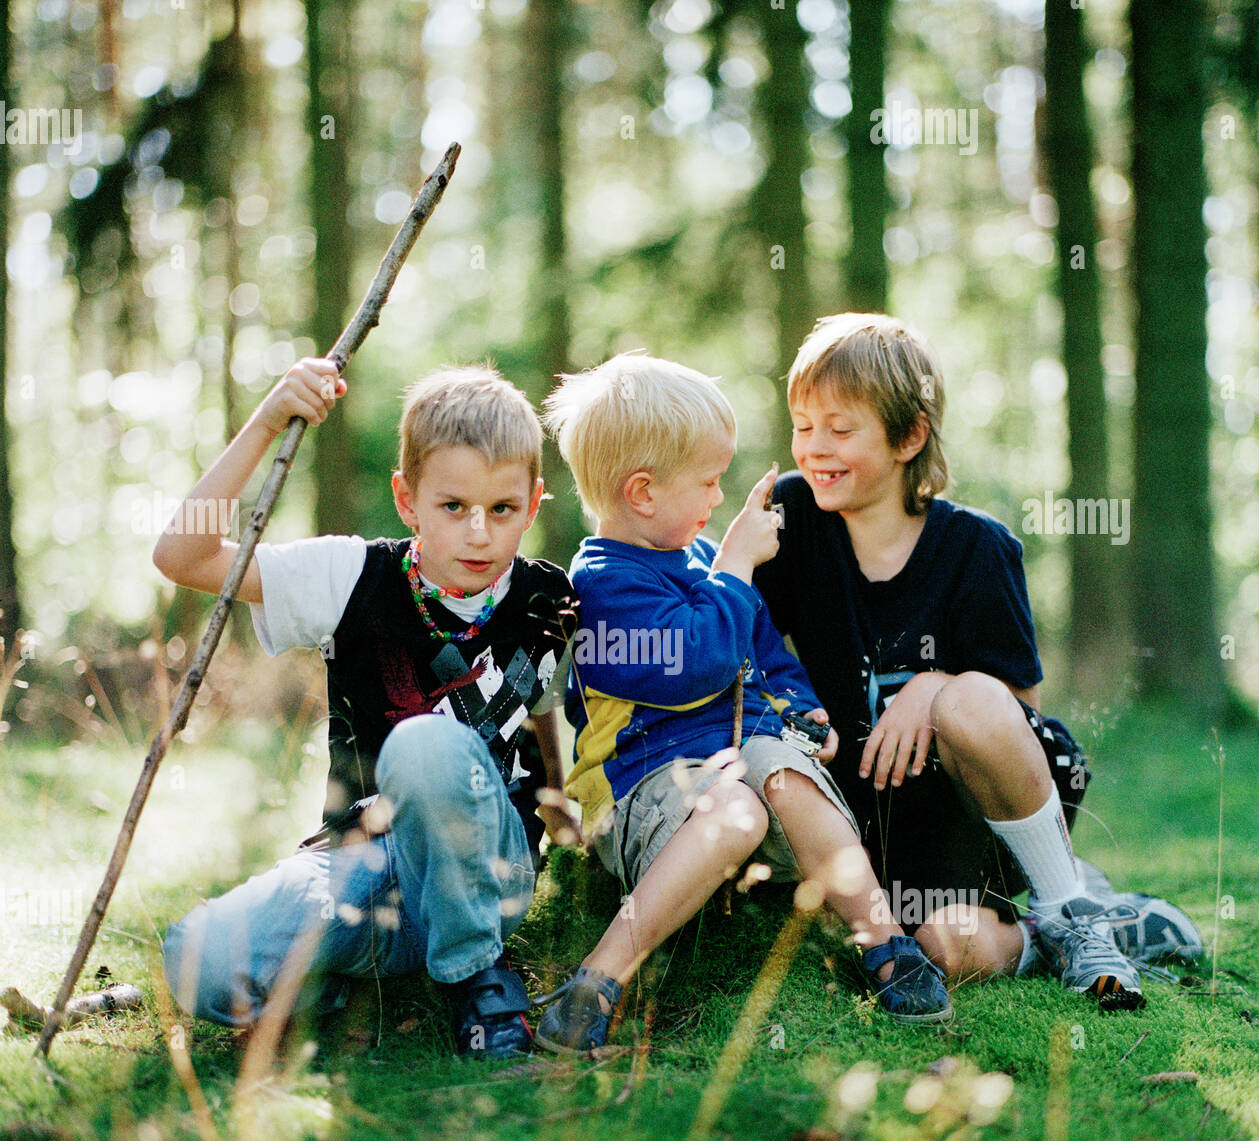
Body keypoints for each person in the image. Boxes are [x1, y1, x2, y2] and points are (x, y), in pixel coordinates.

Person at [754, 312, 1200, 1008]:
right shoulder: (793, 519)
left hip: (973, 805)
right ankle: (1100, 924)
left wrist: (933, 686)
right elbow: (732, 625)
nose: (815, 448)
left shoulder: (977, 549)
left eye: (840, 430)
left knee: (966, 697)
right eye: (802, 425)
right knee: (946, 950)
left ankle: (1074, 913)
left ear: (909, 435)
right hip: (872, 812)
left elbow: (1016, 717)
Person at [156, 360, 580, 1058]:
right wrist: (266, 423)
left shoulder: (548, 598)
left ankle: (477, 978)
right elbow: (182, 555)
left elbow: (540, 706)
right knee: (192, 956)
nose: (478, 533)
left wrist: (560, 806)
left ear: (532, 505)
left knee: (423, 746)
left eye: (501, 509)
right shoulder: (350, 576)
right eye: (452, 507)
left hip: (486, 873)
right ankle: (346, 982)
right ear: (407, 499)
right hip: (365, 872)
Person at [533, 352, 954, 1055]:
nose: (717, 498)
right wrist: (733, 567)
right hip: (646, 795)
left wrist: (802, 707)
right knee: (736, 807)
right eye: (706, 481)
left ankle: (883, 941)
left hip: (747, 759)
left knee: (780, 776)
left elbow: (764, 651)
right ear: (642, 492)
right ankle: (598, 980)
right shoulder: (601, 582)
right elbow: (692, 665)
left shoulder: (703, 557)